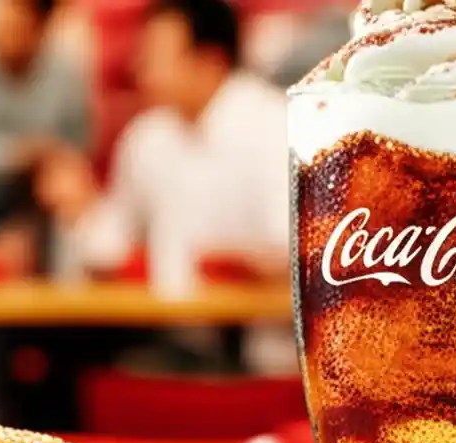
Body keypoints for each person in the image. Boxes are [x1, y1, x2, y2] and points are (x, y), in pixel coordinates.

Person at [38, 0, 294, 374]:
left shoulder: (278, 125)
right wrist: (80, 209)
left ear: (209, 60)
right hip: (171, 343)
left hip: (270, 354)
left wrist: (240, 263)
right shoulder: (146, 137)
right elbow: (114, 247)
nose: (139, 68)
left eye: (155, 55)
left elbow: (300, 251)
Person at [0, 0, 92, 270]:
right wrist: (14, 153)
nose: (6, 36)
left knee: (68, 193)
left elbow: (78, 144)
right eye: (2, 23)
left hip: (43, 195)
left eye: (18, 27)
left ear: (42, 30)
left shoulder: (66, 75)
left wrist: (54, 160)